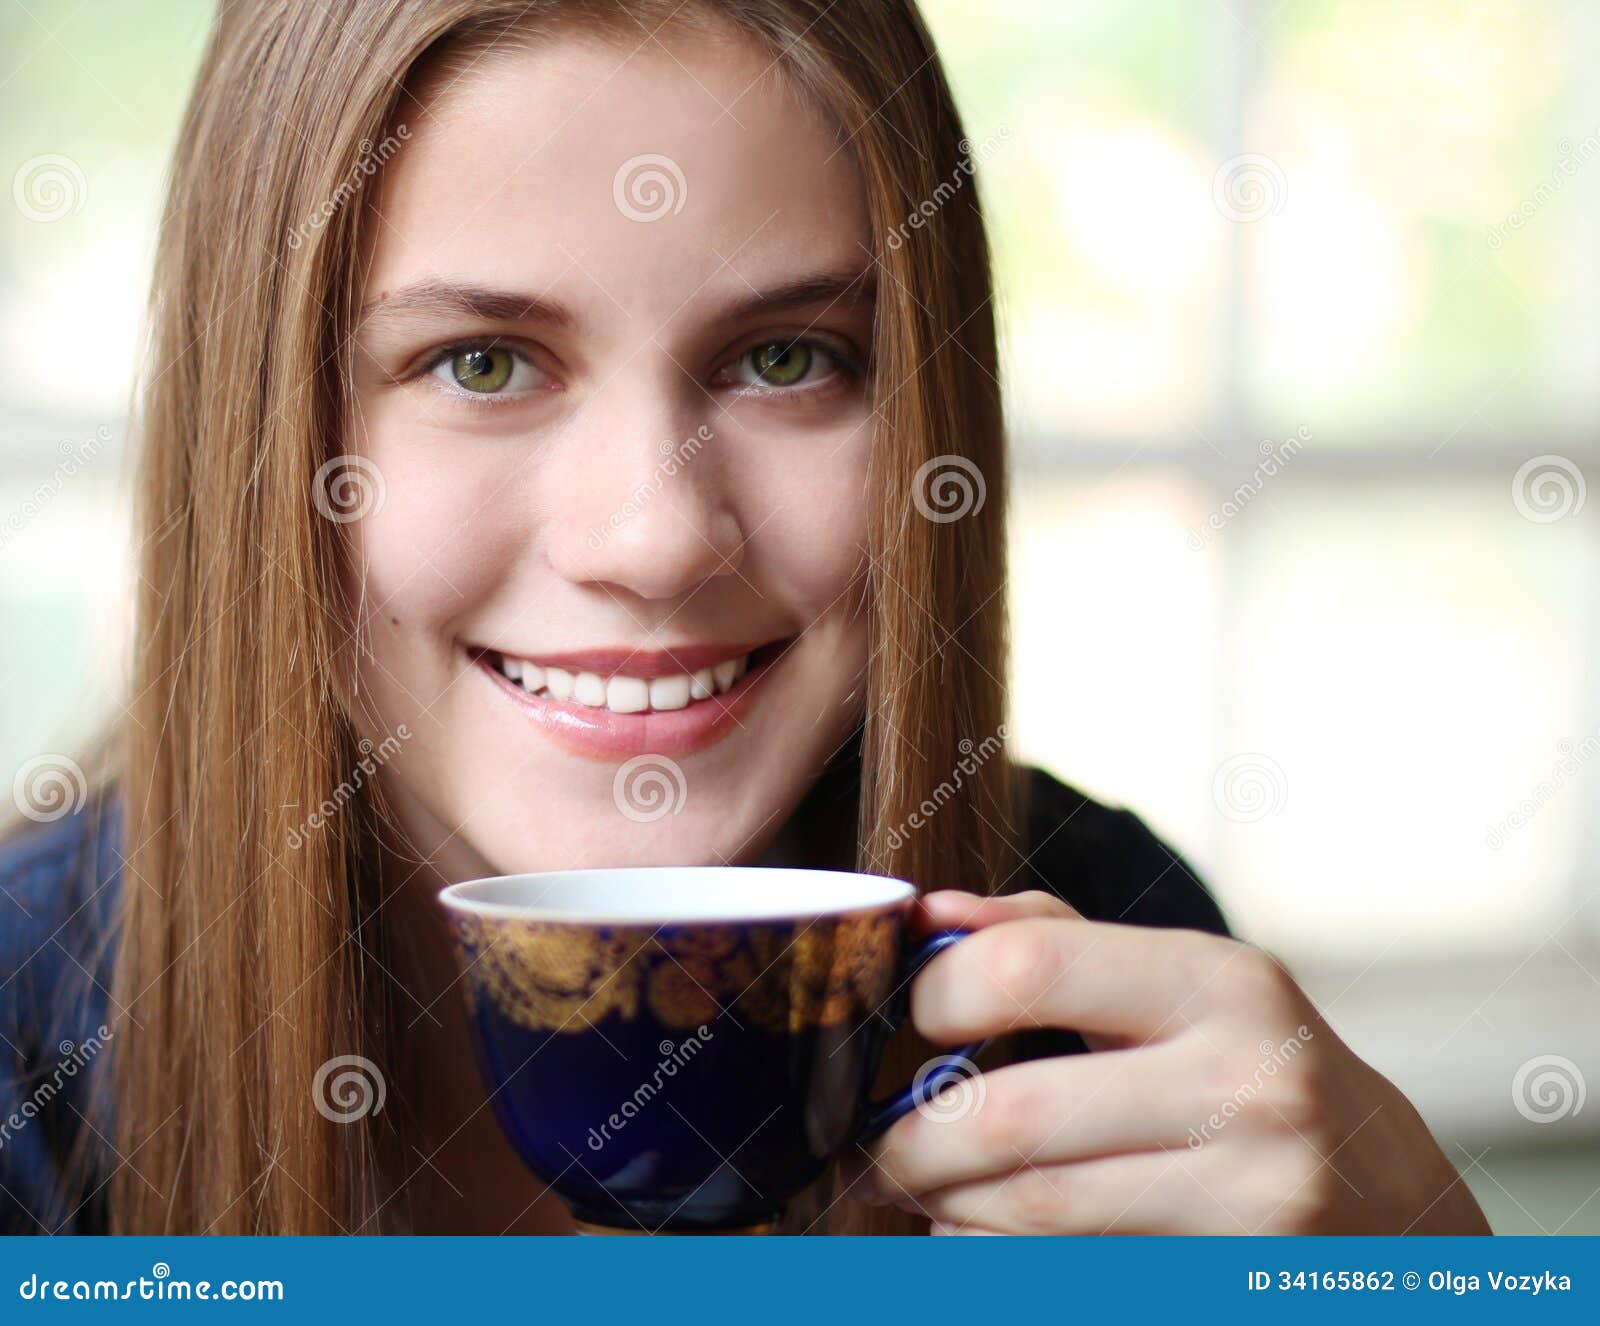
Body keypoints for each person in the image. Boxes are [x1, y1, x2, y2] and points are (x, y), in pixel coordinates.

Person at [0, 0, 1486, 1236]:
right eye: (480, 364)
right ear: (257, 441)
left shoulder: (1096, 949)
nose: (654, 537)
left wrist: (1420, 1264)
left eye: (788, 356)